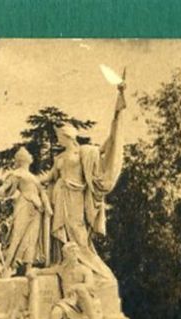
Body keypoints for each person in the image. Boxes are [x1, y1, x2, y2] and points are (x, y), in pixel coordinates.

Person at [39, 80, 127, 280]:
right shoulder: (59, 158)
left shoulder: (85, 153)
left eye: (60, 136)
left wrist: (116, 117)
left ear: (67, 136)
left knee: (79, 237)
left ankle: (100, 272)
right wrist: (29, 180)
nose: (58, 139)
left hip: (76, 198)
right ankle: (66, 268)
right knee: (62, 239)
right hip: (60, 198)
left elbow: (107, 146)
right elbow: (50, 176)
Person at [34, 242, 106, 319]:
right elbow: (47, 271)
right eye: (71, 252)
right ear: (65, 255)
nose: (74, 254)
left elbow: (90, 286)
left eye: (75, 251)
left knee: (81, 290)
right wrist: (35, 271)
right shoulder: (62, 269)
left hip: (82, 303)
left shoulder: (84, 270)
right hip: (67, 302)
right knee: (55, 314)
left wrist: (77, 286)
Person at [0, 147, 51, 275]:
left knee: (32, 239)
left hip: (37, 209)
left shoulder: (33, 177)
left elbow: (42, 192)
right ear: (23, 159)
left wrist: (47, 206)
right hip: (24, 205)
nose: (31, 156)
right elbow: (4, 188)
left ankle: (29, 269)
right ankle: (6, 267)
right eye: (29, 155)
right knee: (17, 236)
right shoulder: (16, 174)